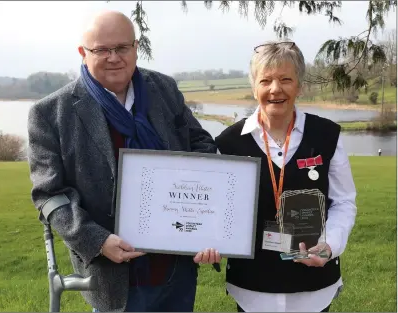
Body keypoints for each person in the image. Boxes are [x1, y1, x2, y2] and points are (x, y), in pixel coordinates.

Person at [27, 10, 220, 312]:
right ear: (83, 52)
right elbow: (48, 195)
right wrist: (97, 240)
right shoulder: (50, 113)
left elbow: (202, 145)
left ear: (135, 47)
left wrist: (206, 222)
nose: (113, 57)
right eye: (102, 49)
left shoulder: (165, 89)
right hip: (111, 273)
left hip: (177, 268)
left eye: (122, 47)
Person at [207, 41, 357, 312]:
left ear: (299, 85)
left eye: (285, 79)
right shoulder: (228, 143)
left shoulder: (327, 135)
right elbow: (217, 209)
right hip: (252, 286)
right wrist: (208, 239)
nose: (275, 89)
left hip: (314, 284)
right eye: (265, 80)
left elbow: (344, 202)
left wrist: (329, 246)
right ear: (254, 88)